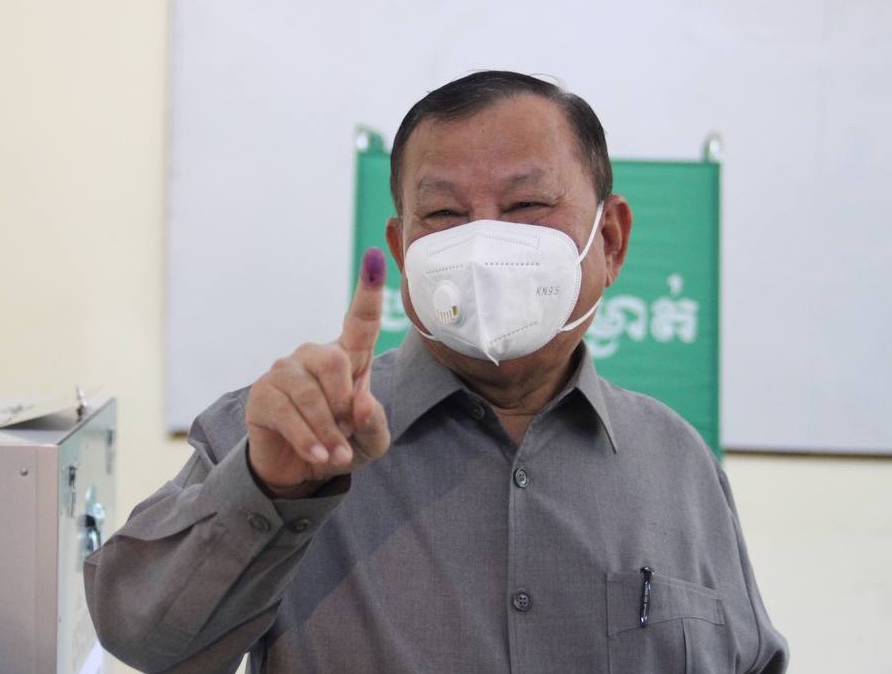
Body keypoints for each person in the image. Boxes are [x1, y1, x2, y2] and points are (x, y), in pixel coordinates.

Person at [85, 70, 788, 673]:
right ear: (400, 248)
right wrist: (267, 491)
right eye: (445, 213)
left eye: (527, 206)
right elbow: (141, 639)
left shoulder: (677, 462)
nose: (482, 245)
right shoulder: (290, 435)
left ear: (609, 240)